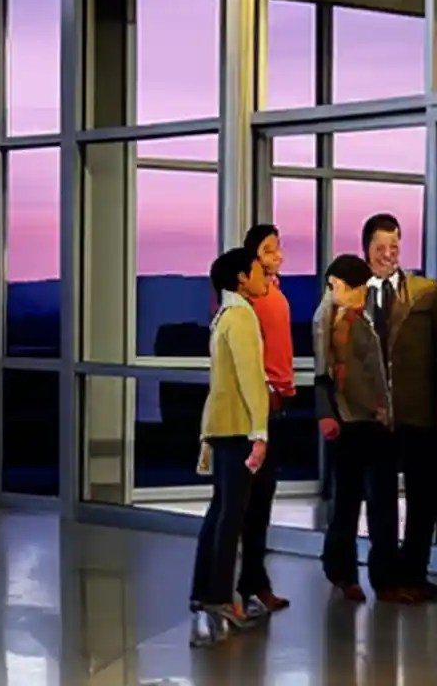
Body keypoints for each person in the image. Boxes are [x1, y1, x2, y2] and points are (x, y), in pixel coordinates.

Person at [361, 213, 437, 603]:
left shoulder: (428, 292)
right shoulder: (352, 293)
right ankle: (386, 579)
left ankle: (415, 574)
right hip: (373, 417)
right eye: (381, 247)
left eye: (395, 246)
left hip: (420, 411)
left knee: (424, 498)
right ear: (367, 248)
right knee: (379, 499)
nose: (389, 254)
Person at [188, 247, 271, 646]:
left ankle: (205, 594)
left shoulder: (224, 314)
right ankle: (219, 596)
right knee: (230, 515)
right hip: (237, 428)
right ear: (241, 277)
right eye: (258, 268)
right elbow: (250, 379)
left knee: (220, 512)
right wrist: (261, 431)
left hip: (222, 426)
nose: (265, 273)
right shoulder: (241, 317)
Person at [314, 254, 400, 603]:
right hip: (357, 421)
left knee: (374, 501)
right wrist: (379, 408)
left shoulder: (354, 318)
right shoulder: (336, 322)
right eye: (359, 287)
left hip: (368, 421)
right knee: (351, 501)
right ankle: (345, 571)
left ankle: (375, 574)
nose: (364, 293)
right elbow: (333, 375)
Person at [238, 224, 293, 617]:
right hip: (257, 409)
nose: (277, 254)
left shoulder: (275, 291)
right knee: (246, 502)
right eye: (269, 249)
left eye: (278, 247)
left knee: (263, 499)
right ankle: (241, 586)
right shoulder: (247, 300)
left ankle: (254, 582)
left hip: (277, 407)